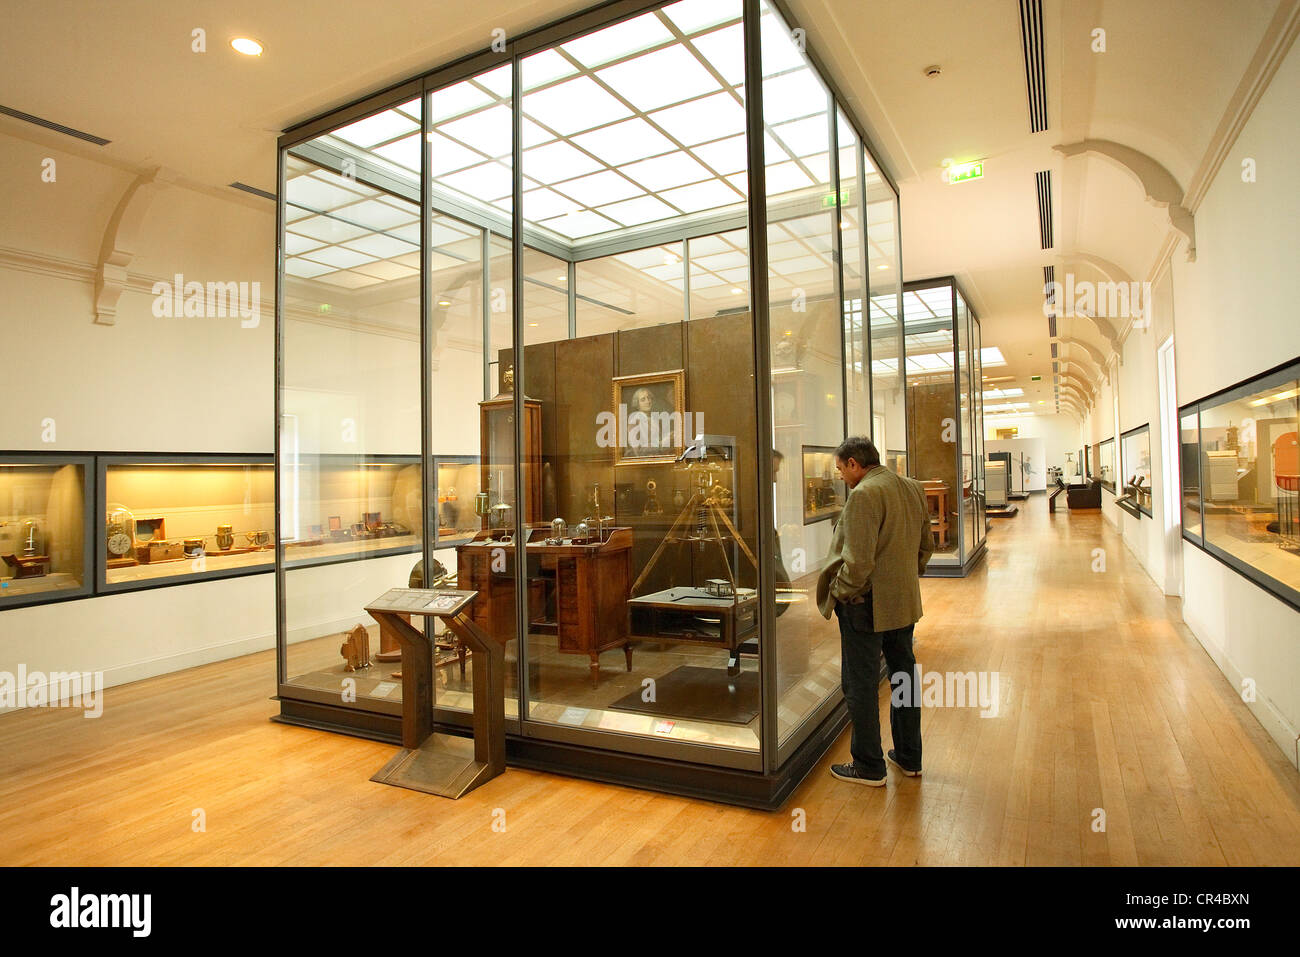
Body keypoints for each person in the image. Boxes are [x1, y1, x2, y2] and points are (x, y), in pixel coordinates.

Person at [815, 436, 934, 786]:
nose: (840, 476)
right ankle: (910, 757)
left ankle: (869, 766)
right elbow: (925, 547)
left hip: (865, 606)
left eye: (841, 468)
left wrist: (840, 591)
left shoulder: (865, 495)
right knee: (903, 678)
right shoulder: (912, 487)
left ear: (855, 464)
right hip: (903, 603)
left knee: (860, 685)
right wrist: (904, 579)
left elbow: (859, 561)